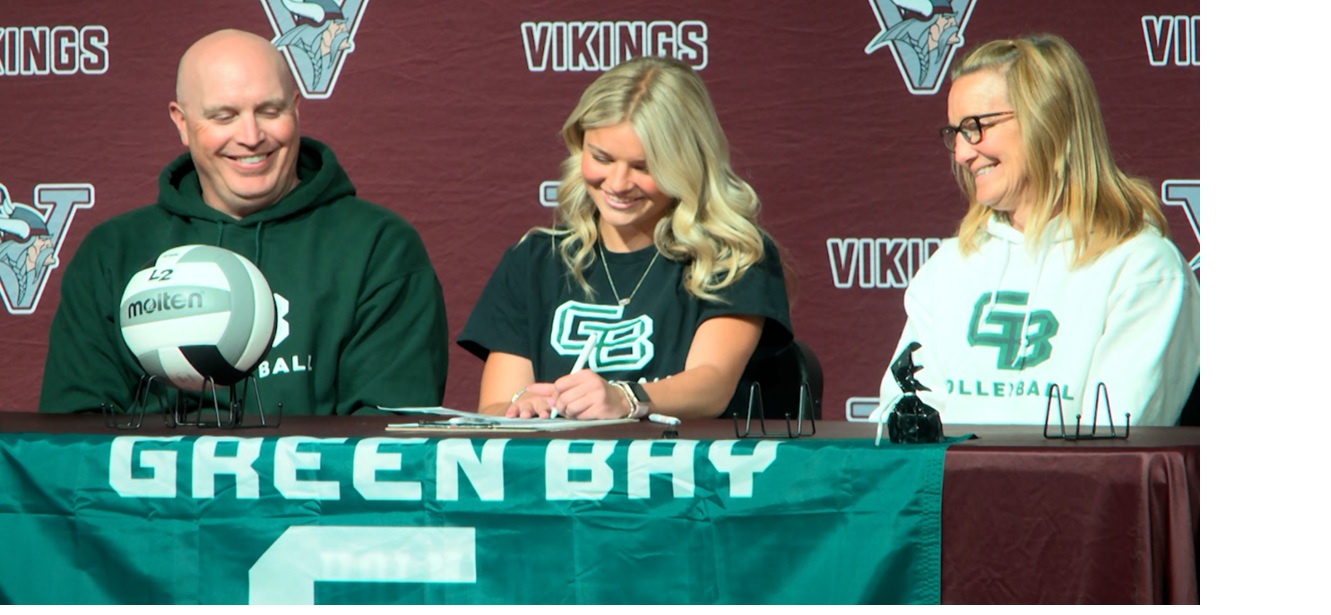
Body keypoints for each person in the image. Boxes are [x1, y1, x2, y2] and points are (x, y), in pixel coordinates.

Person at [39, 29, 448, 415]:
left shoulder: (379, 247)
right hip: (151, 493)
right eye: (224, 116)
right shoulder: (112, 253)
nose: (251, 136)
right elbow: (74, 445)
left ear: (296, 109)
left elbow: (386, 450)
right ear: (181, 122)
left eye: (269, 110)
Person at [877, 34, 1199, 426]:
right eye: (955, 133)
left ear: (1048, 122)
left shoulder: (1143, 271)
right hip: (950, 491)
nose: (961, 153)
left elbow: (1115, 454)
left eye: (976, 126)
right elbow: (900, 429)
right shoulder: (947, 269)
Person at [458, 56, 792, 420]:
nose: (617, 184)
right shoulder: (533, 261)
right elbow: (494, 407)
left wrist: (625, 398)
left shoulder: (730, 257)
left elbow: (712, 385)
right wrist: (523, 406)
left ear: (686, 164)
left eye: (643, 167)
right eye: (601, 158)